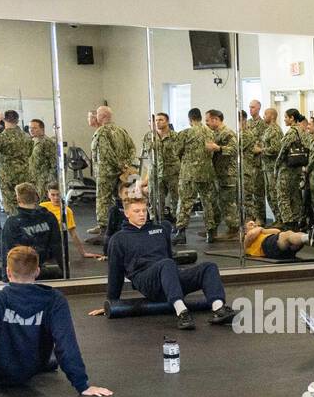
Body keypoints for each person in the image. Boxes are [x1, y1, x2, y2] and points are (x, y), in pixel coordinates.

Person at [0, 246, 111, 397]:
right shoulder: (55, 300)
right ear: (37, 271)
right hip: (29, 371)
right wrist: (82, 386)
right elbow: (67, 344)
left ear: (8, 272)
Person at [93, 177, 236, 330]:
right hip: (146, 280)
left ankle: (218, 309)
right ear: (127, 213)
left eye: (144, 210)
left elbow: (169, 257)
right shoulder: (119, 239)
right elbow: (115, 273)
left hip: (168, 276)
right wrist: (111, 302)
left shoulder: (159, 230)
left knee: (209, 267)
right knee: (166, 264)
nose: (142, 214)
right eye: (136, 211)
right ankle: (182, 313)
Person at [0, 182, 66, 278]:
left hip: (21, 262)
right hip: (40, 258)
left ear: (18, 199)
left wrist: (6, 278)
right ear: (36, 197)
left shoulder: (12, 222)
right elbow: (57, 245)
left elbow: (7, 250)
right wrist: (64, 272)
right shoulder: (49, 216)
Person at [0, 109, 34, 217]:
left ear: (4, 120)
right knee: (25, 203)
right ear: (17, 121)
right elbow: (29, 152)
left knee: (11, 206)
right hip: (24, 174)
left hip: (8, 177)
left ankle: (15, 226)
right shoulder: (27, 136)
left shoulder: (2, 138)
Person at [174, 107, 217, 246]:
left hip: (189, 173)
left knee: (185, 203)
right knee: (207, 203)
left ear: (190, 119)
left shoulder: (186, 133)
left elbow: (177, 151)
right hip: (207, 172)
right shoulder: (210, 132)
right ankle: (211, 232)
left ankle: (181, 232)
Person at [91, 105, 136, 234]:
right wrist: (125, 165)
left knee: (103, 199)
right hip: (121, 172)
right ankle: (122, 222)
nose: (96, 117)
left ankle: (104, 227)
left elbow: (106, 153)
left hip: (106, 172)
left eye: (98, 114)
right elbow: (132, 148)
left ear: (103, 116)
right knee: (121, 198)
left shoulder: (101, 132)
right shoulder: (121, 130)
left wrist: (119, 165)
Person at [41, 184, 104, 263]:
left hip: (54, 244)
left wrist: (83, 253)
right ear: (48, 195)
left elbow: (73, 234)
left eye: (58, 195)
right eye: (53, 195)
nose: (56, 198)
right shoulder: (42, 207)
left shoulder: (67, 211)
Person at [206, 109, 239, 242]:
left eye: (208, 120)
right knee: (218, 201)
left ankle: (234, 229)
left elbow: (235, 149)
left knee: (228, 202)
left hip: (227, 173)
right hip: (218, 173)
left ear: (216, 119)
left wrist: (218, 148)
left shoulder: (227, 132)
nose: (206, 123)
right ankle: (218, 228)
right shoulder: (214, 133)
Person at [141, 113, 180, 223]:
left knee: (175, 198)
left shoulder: (175, 136)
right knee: (156, 197)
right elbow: (147, 153)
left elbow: (181, 153)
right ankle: (156, 220)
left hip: (172, 172)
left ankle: (176, 221)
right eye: (156, 120)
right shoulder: (149, 136)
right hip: (156, 172)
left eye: (161, 120)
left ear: (167, 121)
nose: (158, 122)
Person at [275, 108, 309, 229]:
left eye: (286, 117)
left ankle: (289, 223)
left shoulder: (292, 132)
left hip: (287, 169)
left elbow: (283, 150)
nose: (284, 119)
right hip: (297, 168)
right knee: (295, 195)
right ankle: (297, 220)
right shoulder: (302, 131)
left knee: (283, 196)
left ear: (292, 118)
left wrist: (276, 166)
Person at [240, 100, 267, 223]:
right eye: (249, 107)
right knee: (247, 192)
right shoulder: (247, 123)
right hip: (247, 163)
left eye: (253, 107)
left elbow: (262, 144)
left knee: (258, 192)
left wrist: (257, 148)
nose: (251, 109)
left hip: (257, 163)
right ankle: (251, 218)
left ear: (259, 108)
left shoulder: (263, 125)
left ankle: (260, 218)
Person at [241, 219, 309, 260]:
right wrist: (260, 228)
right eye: (251, 224)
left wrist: (263, 230)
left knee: (292, 235)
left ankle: (310, 238)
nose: (255, 225)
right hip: (266, 245)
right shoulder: (246, 240)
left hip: (276, 247)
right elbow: (251, 234)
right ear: (245, 231)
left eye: (255, 223)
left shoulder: (261, 232)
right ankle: (308, 238)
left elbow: (277, 231)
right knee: (287, 235)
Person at [260, 107, 283, 224]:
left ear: (272, 116)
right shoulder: (268, 129)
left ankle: (280, 219)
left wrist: (261, 150)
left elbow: (276, 149)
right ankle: (277, 219)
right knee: (269, 195)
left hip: (272, 167)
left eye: (265, 114)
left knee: (274, 194)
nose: (263, 116)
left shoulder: (274, 130)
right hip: (266, 167)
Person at [28, 118, 60, 198]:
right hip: (34, 179)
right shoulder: (32, 141)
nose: (31, 130)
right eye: (30, 128)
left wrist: (49, 182)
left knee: (44, 205)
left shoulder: (47, 142)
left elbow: (54, 163)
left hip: (44, 181)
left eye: (34, 128)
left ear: (42, 129)